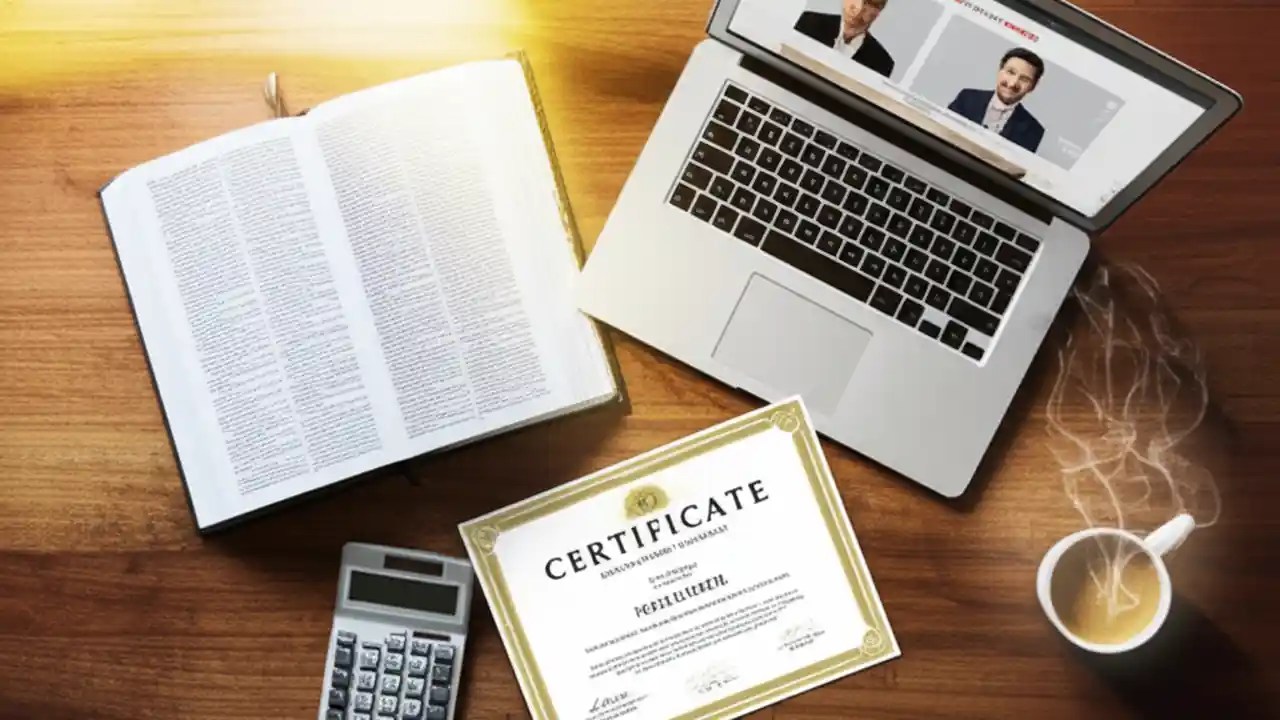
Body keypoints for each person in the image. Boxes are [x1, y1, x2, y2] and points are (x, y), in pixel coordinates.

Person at [947, 48, 1046, 153]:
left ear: (1033, 87)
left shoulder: (1034, 130)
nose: (1012, 84)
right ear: (999, 71)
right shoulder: (967, 98)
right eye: (1010, 72)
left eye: (1024, 79)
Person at [794, 0, 895, 78]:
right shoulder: (809, 23)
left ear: (878, 11)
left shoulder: (882, 63)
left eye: (866, 3)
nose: (856, 7)